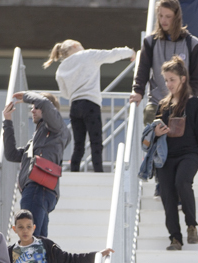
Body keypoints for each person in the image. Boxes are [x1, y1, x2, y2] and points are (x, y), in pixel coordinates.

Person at [46, 40, 136, 173]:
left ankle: (74, 171)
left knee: (78, 145)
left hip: (75, 106)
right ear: (76, 46)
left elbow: (64, 93)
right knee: (96, 142)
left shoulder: (61, 68)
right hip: (91, 104)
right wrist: (131, 52)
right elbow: (111, 54)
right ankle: (98, 171)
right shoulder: (88, 55)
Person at [153, 57, 198, 249]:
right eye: (166, 80)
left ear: (183, 79)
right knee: (167, 195)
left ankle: (191, 225)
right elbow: (154, 132)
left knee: (182, 183)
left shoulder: (196, 104)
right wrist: (156, 132)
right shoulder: (162, 105)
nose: (169, 84)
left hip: (189, 154)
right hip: (166, 156)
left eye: (172, 79)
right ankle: (175, 238)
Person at [2, 91, 71, 238]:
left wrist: (27, 95)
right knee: (39, 241)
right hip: (38, 190)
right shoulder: (39, 140)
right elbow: (11, 154)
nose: (32, 110)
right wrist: (7, 121)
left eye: (36, 107)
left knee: (30, 240)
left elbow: (45, 104)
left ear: (48, 110)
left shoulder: (57, 128)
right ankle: (42, 262)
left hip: (38, 188)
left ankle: (34, 262)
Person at [131, 0, 198, 125]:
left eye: (168, 16)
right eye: (160, 16)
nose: (163, 20)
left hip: (182, 106)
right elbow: (142, 70)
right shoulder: (150, 41)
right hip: (156, 104)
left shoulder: (193, 44)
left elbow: (197, 80)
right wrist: (138, 91)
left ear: (176, 17)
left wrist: (187, 99)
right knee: (151, 141)